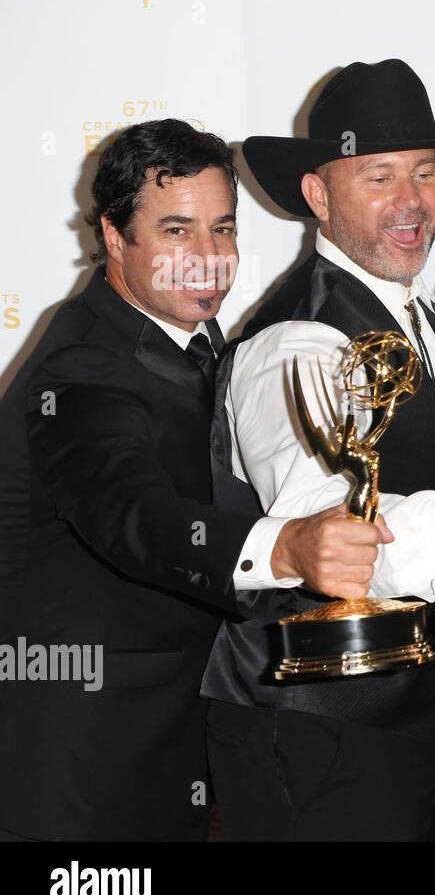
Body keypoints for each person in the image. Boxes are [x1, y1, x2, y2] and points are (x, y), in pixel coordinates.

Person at [201, 59, 435, 840]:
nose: (412, 201)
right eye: (378, 176)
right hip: (314, 733)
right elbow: (319, 519)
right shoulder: (292, 340)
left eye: (426, 171)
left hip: (412, 719)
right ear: (317, 194)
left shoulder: (425, 316)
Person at [0, 119, 385, 841]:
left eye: (223, 229)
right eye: (177, 231)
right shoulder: (83, 361)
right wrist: (289, 547)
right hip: (88, 771)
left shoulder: (196, 340)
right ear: (114, 236)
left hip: (182, 748)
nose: (207, 259)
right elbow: (134, 514)